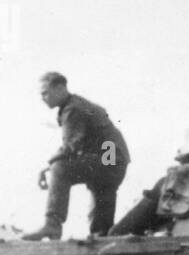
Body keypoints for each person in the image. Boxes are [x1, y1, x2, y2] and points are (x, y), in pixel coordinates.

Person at [23, 72, 131, 240]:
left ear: (60, 88)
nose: (42, 98)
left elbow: (70, 147)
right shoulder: (78, 105)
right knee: (101, 213)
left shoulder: (73, 108)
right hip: (113, 160)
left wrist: (47, 167)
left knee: (60, 168)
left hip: (109, 159)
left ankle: (52, 224)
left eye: (45, 92)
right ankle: (101, 236)